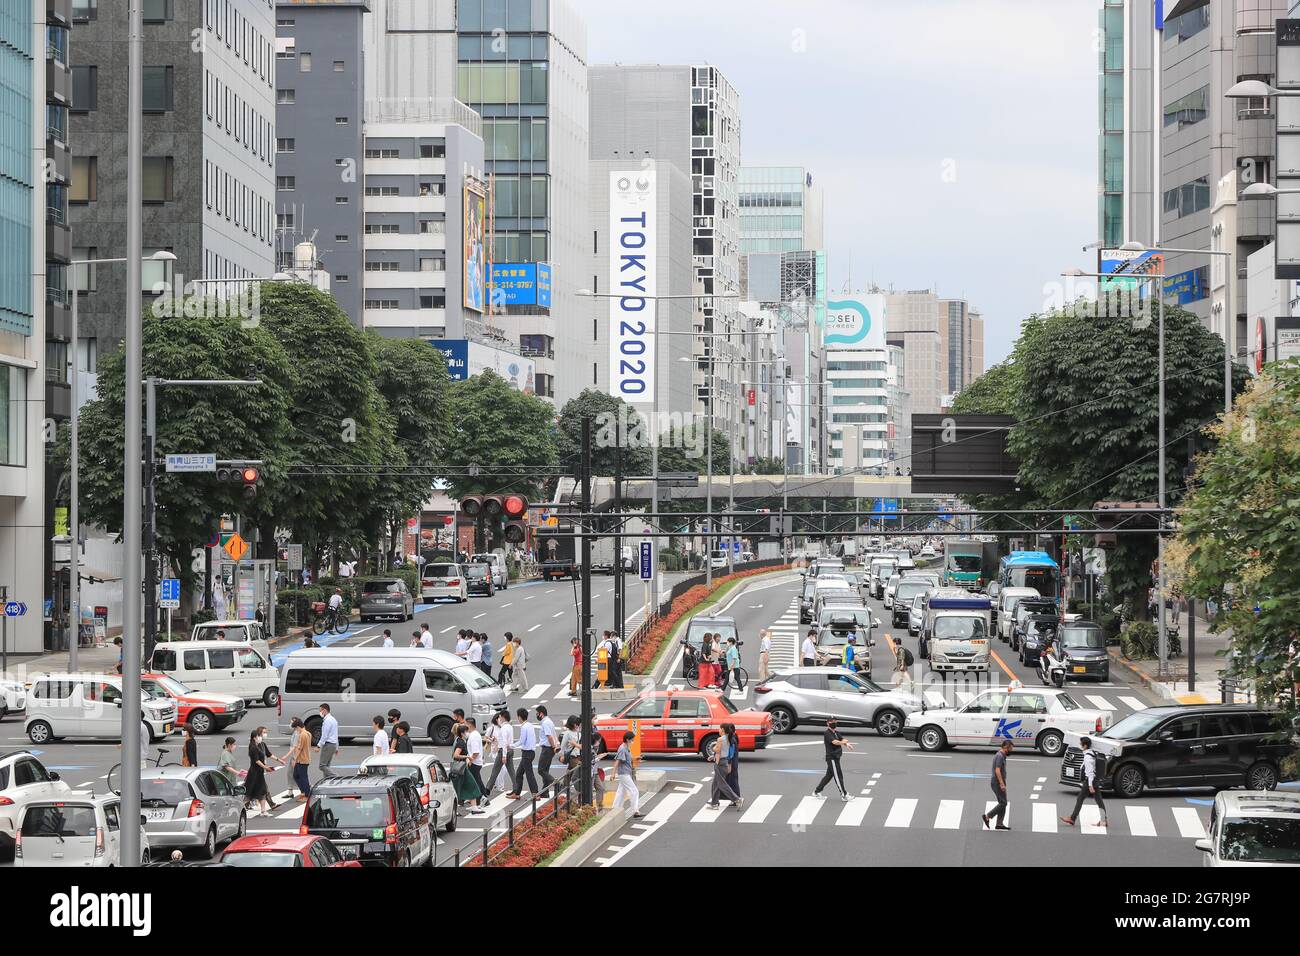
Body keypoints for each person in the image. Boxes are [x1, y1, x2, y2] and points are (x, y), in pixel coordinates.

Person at [1060, 736, 1107, 828]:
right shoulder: (1092, 753)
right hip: (1094, 781)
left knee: (1080, 799)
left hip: (1090, 781)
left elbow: (1090, 772)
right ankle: (1104, 821)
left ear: (1085, 746)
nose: (1079, 745)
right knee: (1099, 801)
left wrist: (1090, 785)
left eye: (1081, 744)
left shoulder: (1088, 758)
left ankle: (1072, 819)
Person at [706, 722, 744, 810]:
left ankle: (737, 799)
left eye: (719, 728)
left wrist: (714, 749)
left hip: (720, 763)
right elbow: (725, 751)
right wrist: (714, 756)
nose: (718, 730)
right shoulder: (729, 738)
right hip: (724, 761)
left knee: (721, 783)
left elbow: (718, 750)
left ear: (722, 729)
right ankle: (714, 803)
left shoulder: (721, 739)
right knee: (715, 783)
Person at [813, 718, 852, 801]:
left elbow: (843, 739)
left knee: (829, 776)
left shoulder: (837, 733)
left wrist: (847, 744)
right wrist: (843, 742)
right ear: (827, 723)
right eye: (832, 722)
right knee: (838, 776)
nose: (834, 724)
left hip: (836, 757)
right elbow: (835, 742)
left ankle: (817, 791)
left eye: (835, 722)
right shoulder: (827, 733)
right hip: (832, 758)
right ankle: (844, 794)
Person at [450, 723, 484, 815]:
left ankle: (474, 807)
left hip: (461, 769)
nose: (468, 733)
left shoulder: (459, 740)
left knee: (470, 786)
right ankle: (455, 810)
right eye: (466, 731)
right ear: (462, 733)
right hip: (460, 769)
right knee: (460, 788)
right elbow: (455, 755)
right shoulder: (460, 742)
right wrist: (467, 757)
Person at [507, 707, 539, 798]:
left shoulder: (524, 727)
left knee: (529, 773)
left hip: (527, 753)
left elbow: (521, 741)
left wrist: (511, 746)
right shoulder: (530, 725)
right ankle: (517, 793)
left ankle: (535, 793)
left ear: (519, 717)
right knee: (519, 773)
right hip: (530, 752)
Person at [245, 727, 279, 813]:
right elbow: (256, 760)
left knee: (258, 790)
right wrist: (266, 767)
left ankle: (263, 809)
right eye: (263, 733)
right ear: (255, 737)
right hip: (255, 772)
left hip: (258, 771)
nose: (264, 735)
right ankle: (269, 806)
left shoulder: (261, 744)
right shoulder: (254, 747)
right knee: (254, 790)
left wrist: (279, 760)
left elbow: (268, 754)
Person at [982, 740, 1013, 830]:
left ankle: (999, 824)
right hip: (997, 782)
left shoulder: (1001, 756)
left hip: (998, 782)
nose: (1011, 750)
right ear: (1006, 747)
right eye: (1010, 748)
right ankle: (987, 816)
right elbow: (997, 770)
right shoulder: (999, 756)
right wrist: (1002, 784)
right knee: (1003, 803)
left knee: (1002, 803)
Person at [612, 731, 642, 817]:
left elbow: (629, 758)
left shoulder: (626, 747)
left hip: (625, 773)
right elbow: (617, 761)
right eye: (632, 740)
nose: (633, 741)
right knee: (634, 791)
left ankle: (615, 809)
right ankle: (635, 811)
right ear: (627, 739)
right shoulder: (622, 749)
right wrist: (613, 774)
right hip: (623, 773)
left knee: (621, 792)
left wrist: (636, 758)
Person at [484, 709, 515, 795]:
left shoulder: (504, 728)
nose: (499, 718)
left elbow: (504, 742)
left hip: (502, 751)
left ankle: (488, 788)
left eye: (500, 716)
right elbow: (510, 741)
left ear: (503, 717)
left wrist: (504, 755)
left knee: (496, 770)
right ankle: (516, 788)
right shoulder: (509, 727)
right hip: (508, 750)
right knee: (511, 771)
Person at [287, 717, 312, 801]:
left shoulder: (303, 735)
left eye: (296, 728)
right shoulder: (308, 733)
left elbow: (299, 748)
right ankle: (303, 792)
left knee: (303, 777)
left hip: (302, 759)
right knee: (296, 775)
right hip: (304, 758)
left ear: (298, 727)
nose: (296, 730)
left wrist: (294, 759)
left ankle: (306, 794)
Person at [465, 718, 487, 805]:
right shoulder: (476, 734)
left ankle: (479, 799)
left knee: (474, 782)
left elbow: (476, 752)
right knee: (478, 780)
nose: (465, 726)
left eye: (466, 724)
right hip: (477, 762)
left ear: (470, 725)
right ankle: (483, 797)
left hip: (474, 762)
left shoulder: (473, 736)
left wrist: (471, 760)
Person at [536, 705, 558, 789]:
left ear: (541, 714)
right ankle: (545, 792)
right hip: (550, 749)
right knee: (545, 770)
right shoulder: (549, 721)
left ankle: (556, 783)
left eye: (537, 713)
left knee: (541, 770)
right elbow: (553, 735)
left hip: (547, 749)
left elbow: (550, 736)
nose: (537, 715)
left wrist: (553, 747)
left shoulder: (545, 723)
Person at [317, 703, 339, 779]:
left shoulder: (327, 721)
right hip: (333, 745)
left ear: (325, 710)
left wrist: (318, 746)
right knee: (326, 766)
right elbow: (336, 735)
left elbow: (324, 735)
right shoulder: (333, 720)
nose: (320, 712)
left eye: (321, 710)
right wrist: (336, 747)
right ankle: (326, 781)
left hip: (328, 745)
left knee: (322, 766)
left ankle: (335, 776)